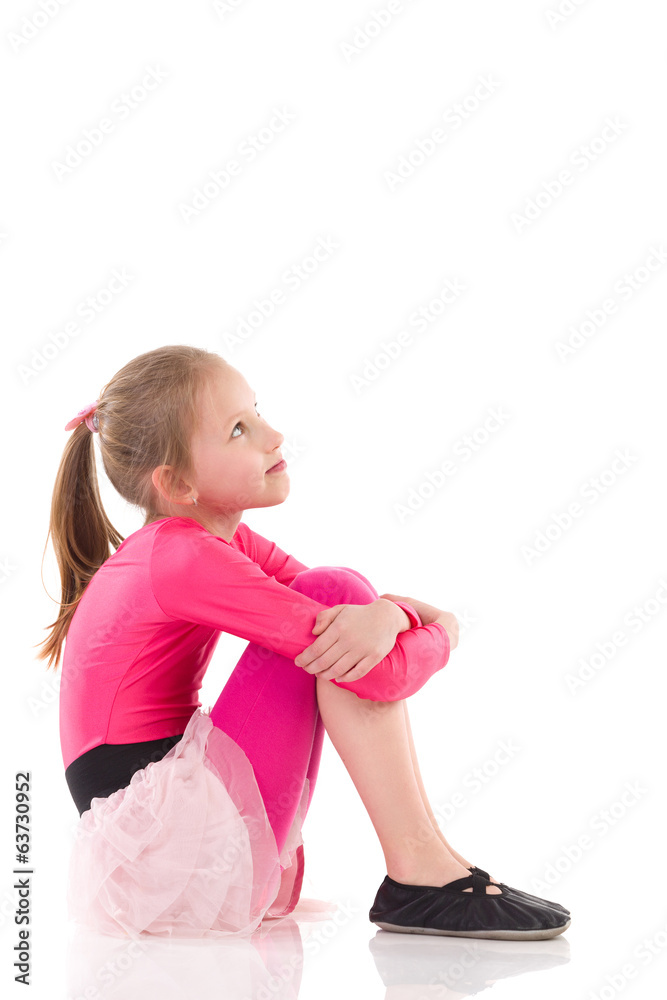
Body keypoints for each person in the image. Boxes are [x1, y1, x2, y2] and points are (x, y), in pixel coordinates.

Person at [37, 344, 570, 941]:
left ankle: (431, 865)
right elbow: (372, 665)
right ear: (177, 482)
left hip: (167, 849)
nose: (273, 434)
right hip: (163, 848)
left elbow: (352, 624)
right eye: (239, 429)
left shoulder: (214, 544)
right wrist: (437, 625)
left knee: (337, 600)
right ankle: (421, 874)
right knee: (336, 596)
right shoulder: (178, 557)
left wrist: (386, 616)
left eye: (258, 411)